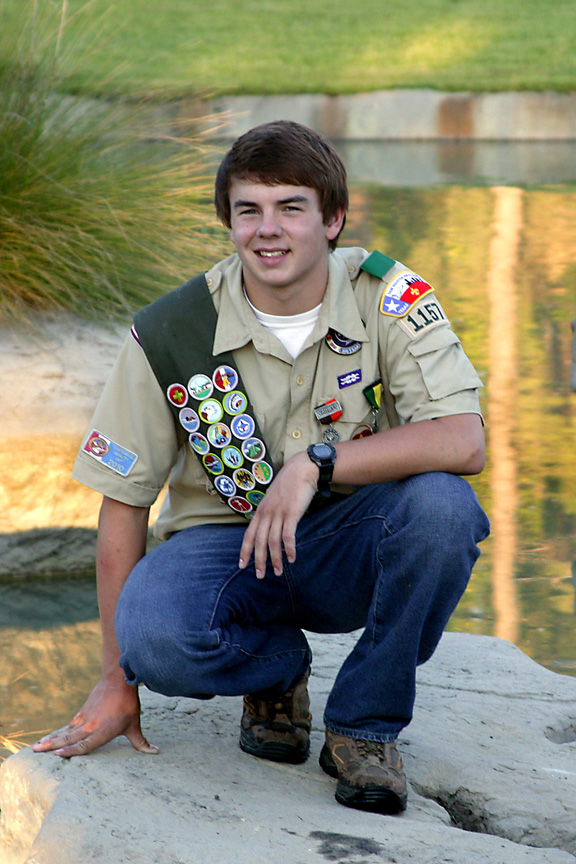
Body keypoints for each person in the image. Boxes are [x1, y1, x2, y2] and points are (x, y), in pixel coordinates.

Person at [33, 120, 490, 815]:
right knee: (152, 637)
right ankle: (277, 674)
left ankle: (364, 727)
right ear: (229, 221)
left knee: (444, 510)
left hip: (350, 542)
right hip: (230, 552)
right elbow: (123, 501)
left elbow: (463, 441)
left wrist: (316, 462)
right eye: (248, 209)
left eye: (291, 208)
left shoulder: (388, 298)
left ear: (333, 219)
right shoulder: (172, 331)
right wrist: (115, 680)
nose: (267, 230)